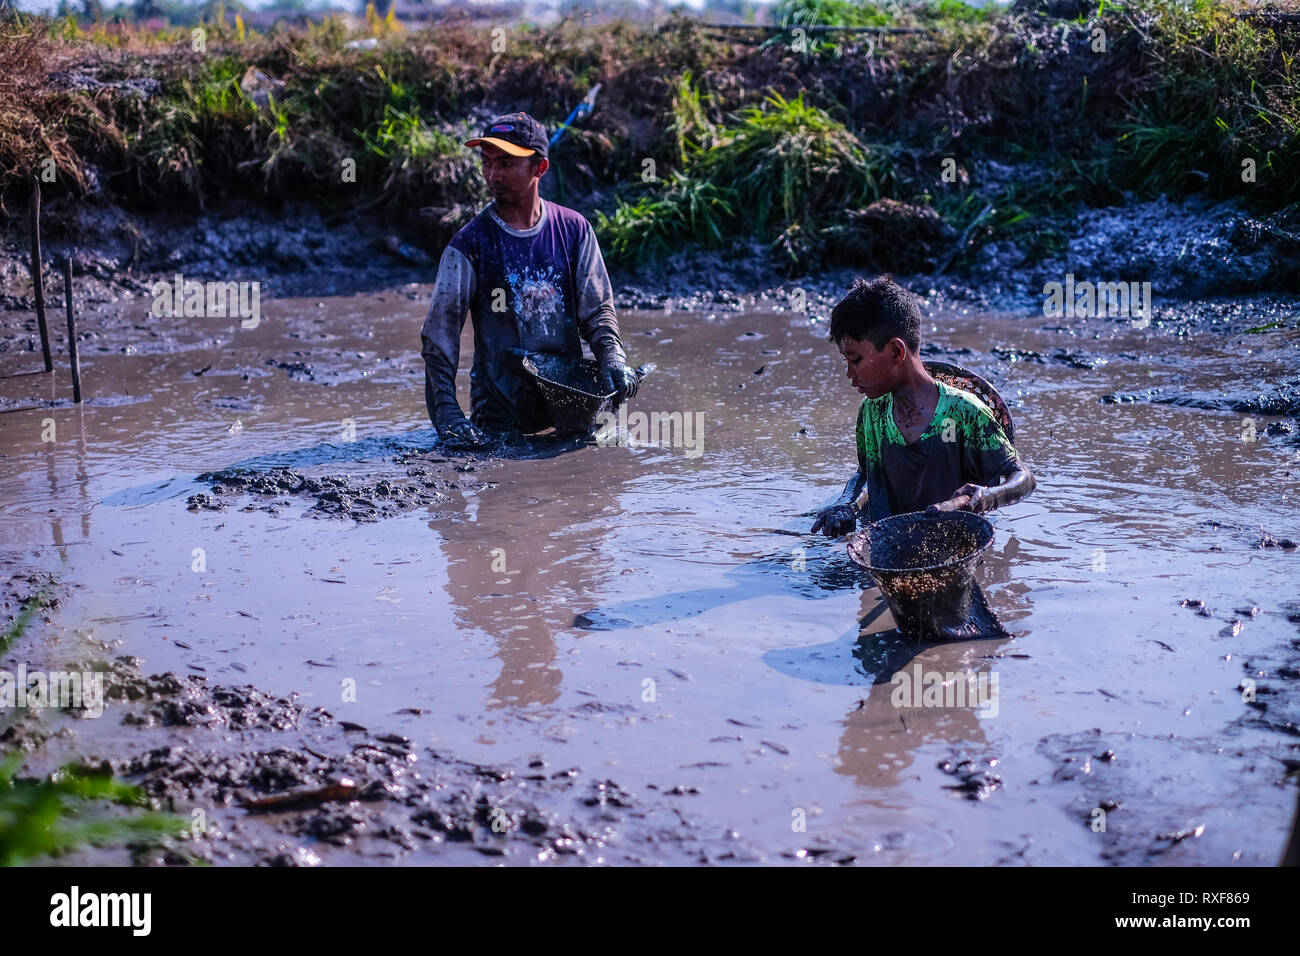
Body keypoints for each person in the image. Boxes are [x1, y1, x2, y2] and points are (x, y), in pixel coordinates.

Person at [420, 112, 638, 448]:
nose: (493, 175)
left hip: (571, 413)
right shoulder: (468, 245)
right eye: (487, 162)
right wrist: (448, 417)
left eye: (506, 163)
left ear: (539, 168)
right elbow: (439, 339)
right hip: (499, 421)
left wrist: (613, 357)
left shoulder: (574, 230)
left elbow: (597, 311)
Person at [812, 275, 1035, 536]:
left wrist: (986, 497)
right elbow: (865, 475)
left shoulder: (964, 413)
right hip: (889, 542)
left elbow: (1024, 479)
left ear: (896, 352)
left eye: (856, 360)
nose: (850, 373)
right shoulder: (872, 412)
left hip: (953, 542)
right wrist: (845, 504)